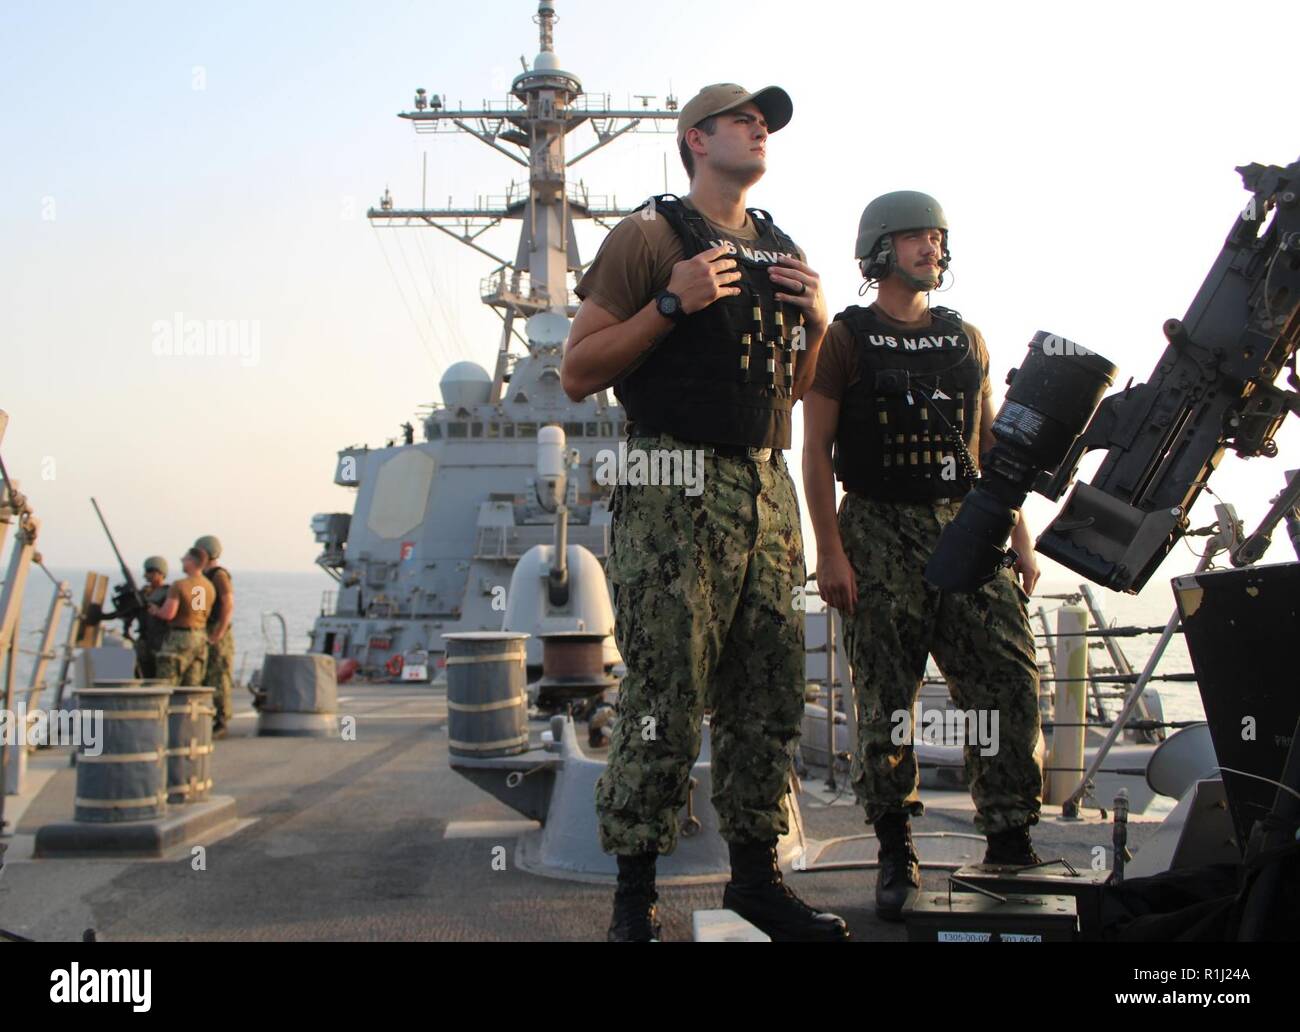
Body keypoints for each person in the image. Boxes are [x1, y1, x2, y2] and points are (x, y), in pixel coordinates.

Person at [562, 82, 847, 942]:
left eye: (765, 122)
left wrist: (822, 319)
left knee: (767, 692)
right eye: (742, 119)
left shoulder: (784, 250)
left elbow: (796, 393)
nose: (760, 129)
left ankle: (756, 882)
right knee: (667, 690)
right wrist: (672, 301)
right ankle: (633, 899)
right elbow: (579, 370)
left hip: (763, 488)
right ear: (696, 139)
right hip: (672, 484)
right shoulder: (648, 238)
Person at [802, 190, 1043, 922]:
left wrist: (1020, 534)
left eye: (936, 239)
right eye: (914, 239)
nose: (930, 250)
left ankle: (1008, 840)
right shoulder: (844, 339)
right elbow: (813, 449)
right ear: (880, 251)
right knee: (886, 699)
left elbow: (991, 444)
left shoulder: (966, 338)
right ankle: (893, 844)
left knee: (1006, 677)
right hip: (876, 526)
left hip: (967, 525)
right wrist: (831, 552)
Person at [152, 549, 216, 688]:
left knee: (166, 682)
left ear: (192, 562)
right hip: (200, 638)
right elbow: (199, 609)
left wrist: (155, 610)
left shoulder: (179, 585)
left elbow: (169, 613)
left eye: (185, 559)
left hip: (179, 638)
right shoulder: (209, 586)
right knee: (192, 686)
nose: (182, 561)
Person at [195, 534, 235, 737]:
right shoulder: (199, 578)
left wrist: (219, 632)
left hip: (217, 631)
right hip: (203, 631)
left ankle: (222, 720)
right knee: (203, 674)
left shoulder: (219, 576)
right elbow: (198, 608)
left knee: (219, 675)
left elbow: (228, 604)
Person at [135, 556, 171, 679]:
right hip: (145, 642)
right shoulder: (143, 593)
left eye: (150, 571)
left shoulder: (168, 592)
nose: (146, 575)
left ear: (160, 572)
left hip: (160, 642)